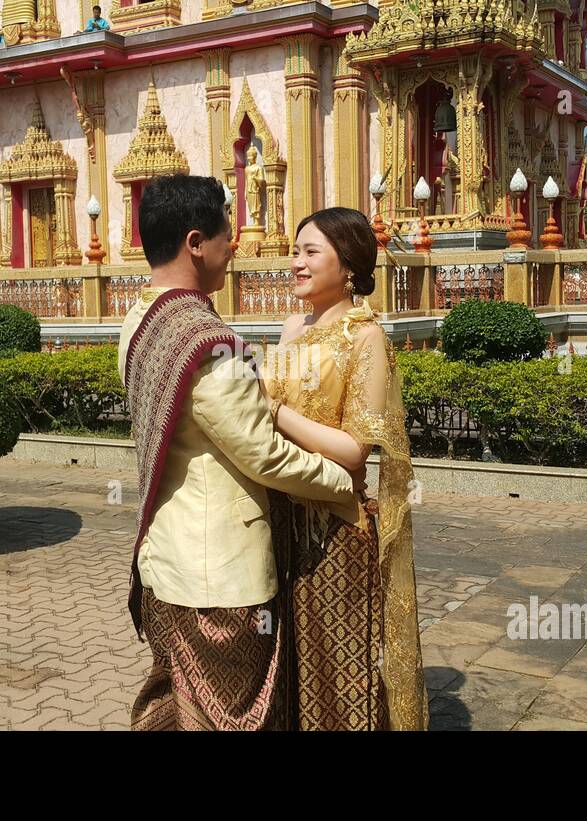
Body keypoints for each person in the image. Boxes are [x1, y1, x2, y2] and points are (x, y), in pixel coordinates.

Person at [119, 176, 364, 731]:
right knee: (233, 717)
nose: (236, 244)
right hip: (219, 583)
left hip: (164, 563)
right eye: (227, 231)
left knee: (179, 710)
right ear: (195, 242)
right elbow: (265, 457)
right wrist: (341, 483)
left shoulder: (139, 320)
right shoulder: (207, 345)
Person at [259, 206, 429, 731]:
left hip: (334, 530)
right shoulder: (292, 326)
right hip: (276, 520)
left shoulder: (366, 337)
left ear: (349, 265)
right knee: (285, 668)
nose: (297, 263)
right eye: (295, 251)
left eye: (311, 252)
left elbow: (356, 449)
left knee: (337, 675)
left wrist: (275, 412)